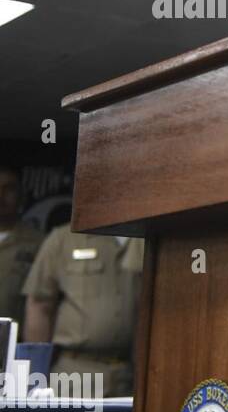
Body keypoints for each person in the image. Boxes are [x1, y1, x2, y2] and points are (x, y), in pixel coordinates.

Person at [22, 224, 144, 398]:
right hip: (74, 374)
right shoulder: (63, 239)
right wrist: (36, 374)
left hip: (128, 376)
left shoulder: (146, 236)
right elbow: (40, 305)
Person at [0, 164, 44, 328]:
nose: (0, 195)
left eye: (8, 189)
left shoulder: (39, 243)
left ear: (21, 195)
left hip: (13, 345)